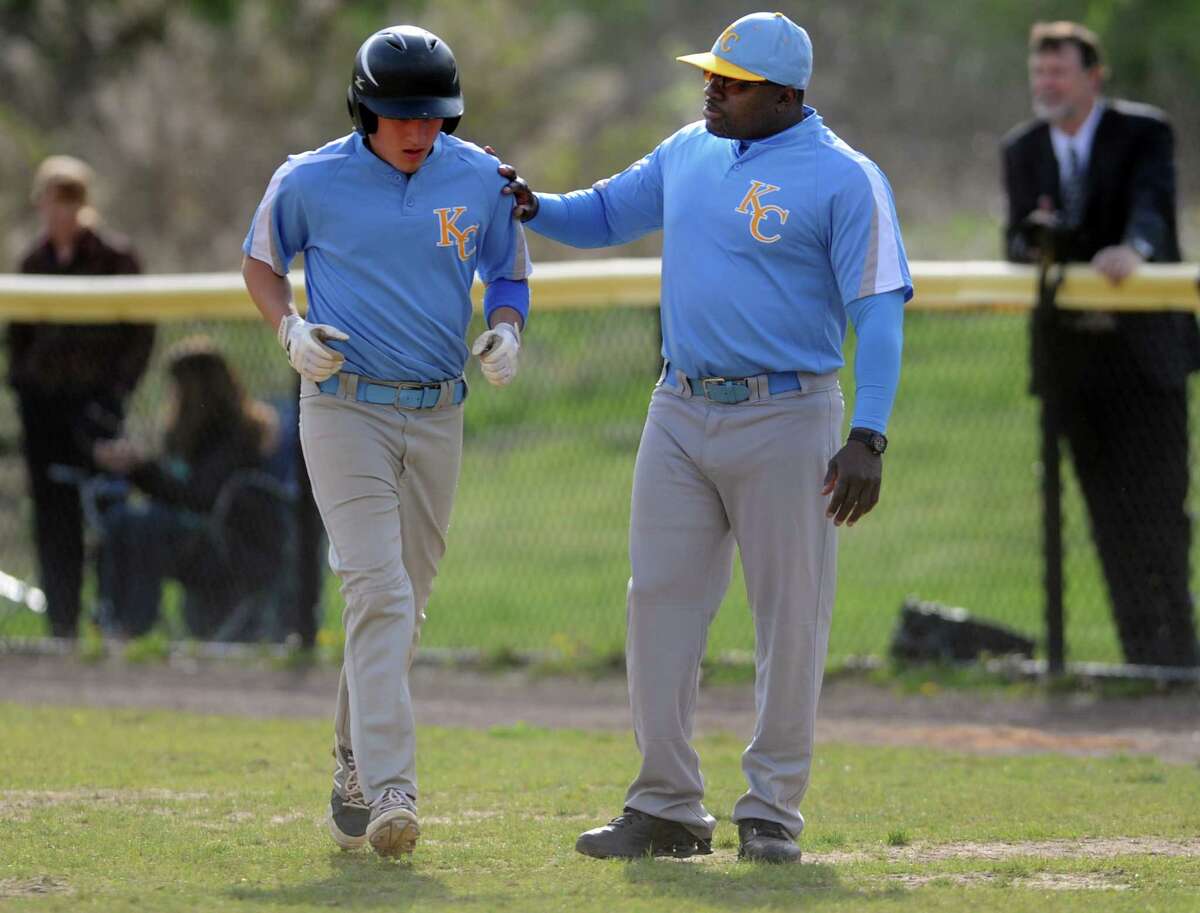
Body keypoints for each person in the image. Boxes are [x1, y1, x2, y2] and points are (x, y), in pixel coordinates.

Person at [496, 12, 909, 862]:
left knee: (788, 619)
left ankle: (771, 811)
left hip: (788, 413)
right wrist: (536, 205)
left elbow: (879, 314)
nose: (710, 88)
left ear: (787, 95)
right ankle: (667, 806)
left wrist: (868, 433)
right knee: (658, 605)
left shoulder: (845, 178)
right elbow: (606, 213)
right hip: (679, 407)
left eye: (731, 80)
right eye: (710, 74)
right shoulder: (690, 147)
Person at [241, 24, 531, 858]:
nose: (418, 131)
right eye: (400, 116)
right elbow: (262, 262)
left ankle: (350, 761)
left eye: (434, 116)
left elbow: (507, 269)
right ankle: (393, 789)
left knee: (400, 608)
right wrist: (289, 325)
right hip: (343, 407)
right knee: (379, 590)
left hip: (440, 409)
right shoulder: (309, 178)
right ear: (362, 110)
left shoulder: (479, 178)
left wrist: (507, 328)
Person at [1002, 21, 1200, 668]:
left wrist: (1134, 252)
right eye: (1040, 73)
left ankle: (1181, 656)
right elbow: (1014, 239)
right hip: (1073, 364)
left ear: (1094, 76)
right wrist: (1035, 240)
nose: (1046, 85)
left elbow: (1152, 207)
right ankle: (1140, 659)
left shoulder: (1143, 133)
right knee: (1105, 515)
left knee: (1161, 512)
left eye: (1059, 72)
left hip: (1144, 357)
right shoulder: (1023, 148)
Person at [7, 155, 155, 639]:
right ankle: (62, 625)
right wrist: (26, 383)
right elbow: (20, 340)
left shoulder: (115, 258)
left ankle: (112, 619)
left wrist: (117, 388)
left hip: (96, 406)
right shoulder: (32, 262)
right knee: (53, 515)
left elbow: (140, 331)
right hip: (44, 409)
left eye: (66, 202)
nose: (57, 213)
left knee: (106, 508)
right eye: (50, 202)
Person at [92, 337, 281, 640]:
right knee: (120, 519)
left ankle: (132, 627)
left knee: (145, 525)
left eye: (178, 388)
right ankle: (109, 621)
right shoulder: (187, 434)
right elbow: (176, 491)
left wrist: (142, 470)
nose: (173, 397)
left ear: (198, 388)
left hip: (229, 548)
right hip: (193, 539)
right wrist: (135, 467)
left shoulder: (238, 436)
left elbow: (197, 498)